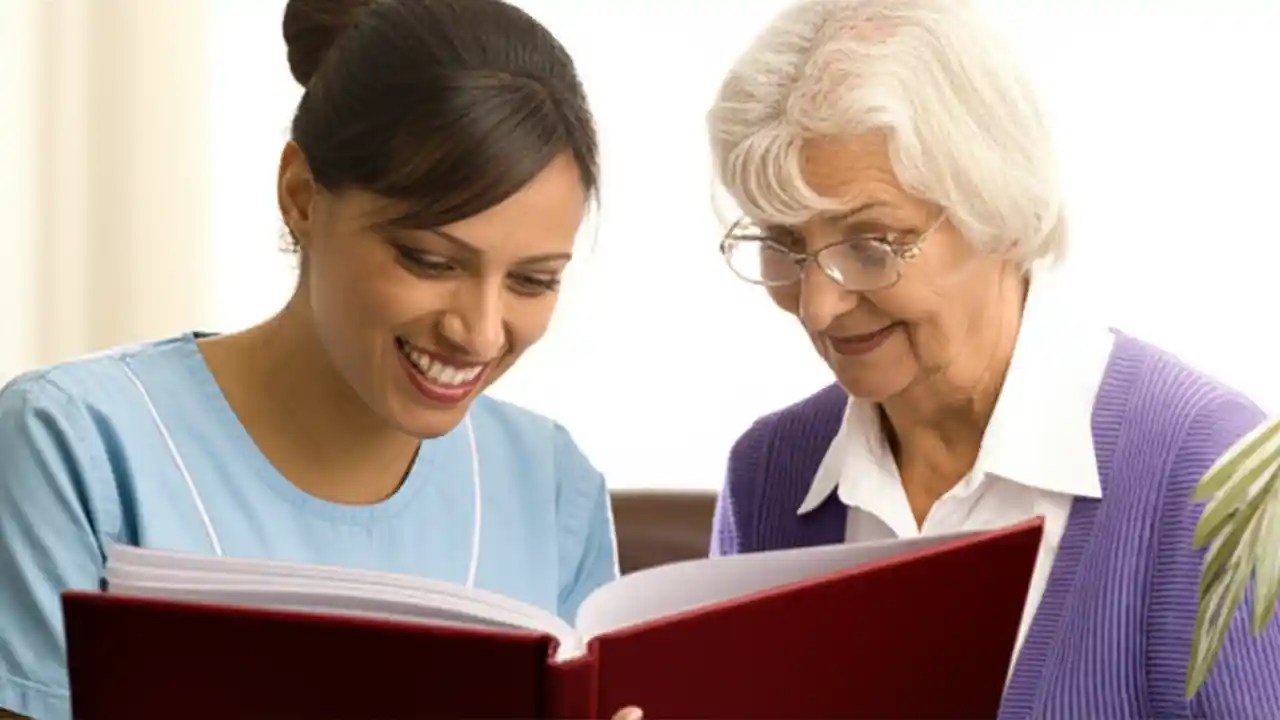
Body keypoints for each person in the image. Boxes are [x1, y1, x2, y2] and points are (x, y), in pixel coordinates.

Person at [0, 2, 640, 719]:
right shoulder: (73, 446)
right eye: (429, 260)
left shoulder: (550, 485)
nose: (482, 333)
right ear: (301, 197)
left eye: (533, 280)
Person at [706, 0, 1280, 716]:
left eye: (872, 244)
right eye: (784, 246)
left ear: (998, 214)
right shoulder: (767, 476)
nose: (818, 306)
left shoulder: (1208, 470)